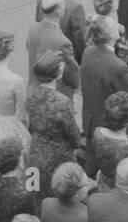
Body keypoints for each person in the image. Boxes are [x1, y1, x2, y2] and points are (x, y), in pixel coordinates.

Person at [24, 53, 84, 197]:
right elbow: (73, 135)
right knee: (58, 194)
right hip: (58, 157)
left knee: (34, 191)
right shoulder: (62, 101)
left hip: (35, 149)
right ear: (57, 75)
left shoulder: (31, 92)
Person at [79, 16, 128, 147]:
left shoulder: (88, 52)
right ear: (110, 35)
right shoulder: (118, 67)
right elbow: (126, 100)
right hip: (109, 128)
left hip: (90, 121)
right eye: (114, 26)